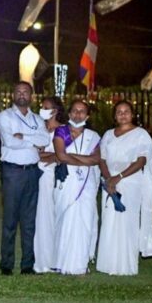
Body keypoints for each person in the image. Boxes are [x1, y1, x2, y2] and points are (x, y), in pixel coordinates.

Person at [97, 100, 152, 275]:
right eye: (119, 112)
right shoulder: (108, 134)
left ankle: (126, 265)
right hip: (110, 183)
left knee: (127, 220)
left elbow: (141, 160)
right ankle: (107, 263)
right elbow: (101, 159)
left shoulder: (141, 134)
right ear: (115, 116)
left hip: (130, 182)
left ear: (132, 114)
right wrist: (109, 179)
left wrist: (119, 177)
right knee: (109, 220)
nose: (123, 115)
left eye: (126, 111)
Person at [0, 81, 49, 275]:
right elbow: (9, 142)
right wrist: (33, 141)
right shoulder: (5, 116)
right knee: (10, 220)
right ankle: (7, 264)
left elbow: (45, 140)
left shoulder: (37, 119)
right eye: (18, 91)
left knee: (29, 221)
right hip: (13, 172)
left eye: (25, 92)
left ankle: (27, 264)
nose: (21, 95)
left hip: (32, 172)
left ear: (31, 96)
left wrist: (24, 137)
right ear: (13, 95)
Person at [52, 100, 101, 275]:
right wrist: (84, 160)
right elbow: (60, 155)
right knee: (65, 220)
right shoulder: (61, 131)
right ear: (69, 113)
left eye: (82, 111)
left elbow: (96, 160)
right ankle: (61, 262)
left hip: (86, 185)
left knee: (84, 221)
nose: (78, 114)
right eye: (74, 110)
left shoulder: (93, 136)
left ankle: (80, 264)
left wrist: (72, 157)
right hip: (66, 182)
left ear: (87, 116)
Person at [33, 96, 65, 274]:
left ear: (55, 111)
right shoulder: (40, 129)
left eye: (46, 108)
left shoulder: (62, 131)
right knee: (39, 217)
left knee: (51, 215)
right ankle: (40, 258)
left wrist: (44, 155)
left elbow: (60, 155)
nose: (42, 110)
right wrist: (46, 155)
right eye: (42, 107)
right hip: (37, 176)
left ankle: (53, 259)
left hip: (52, 177)